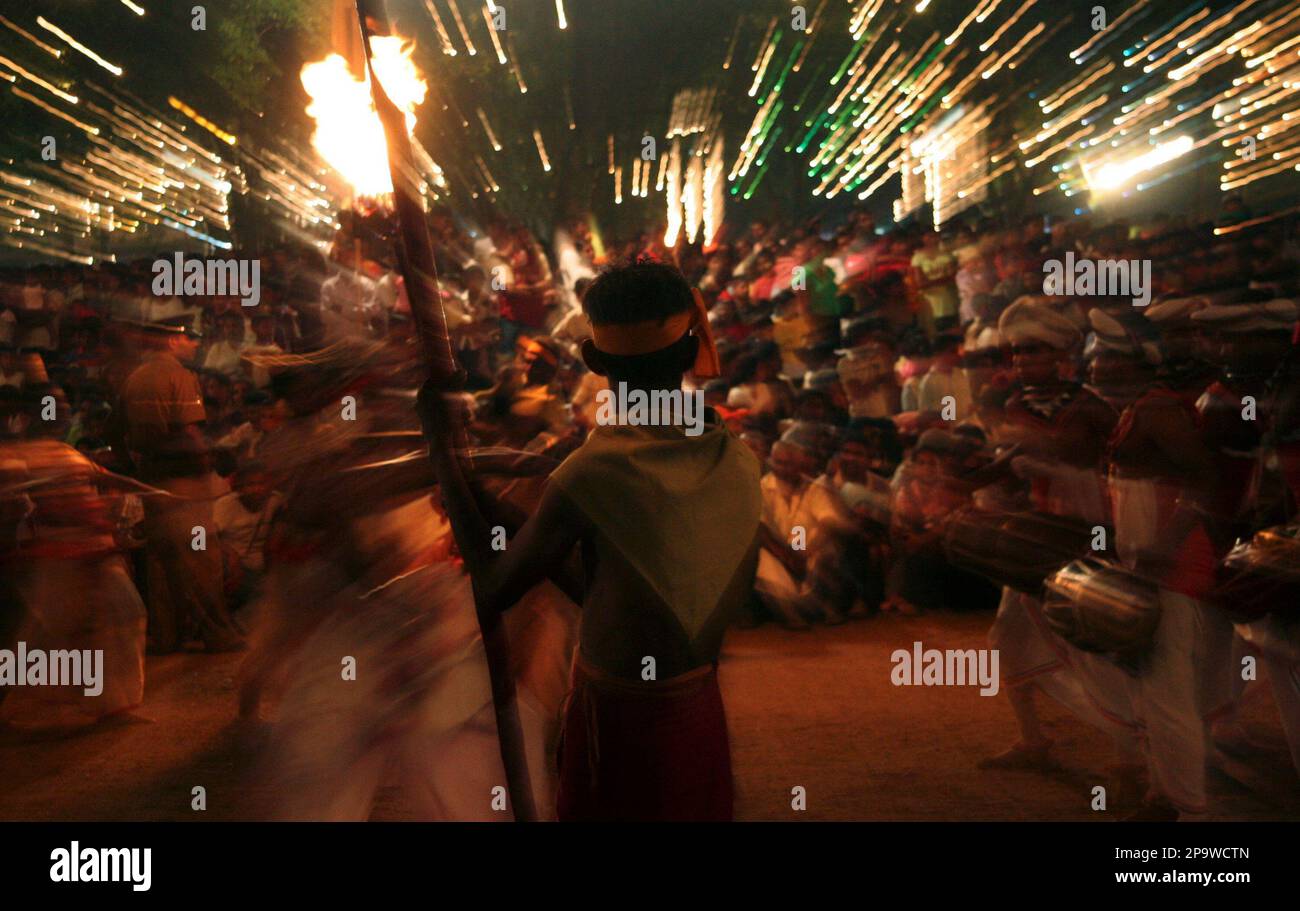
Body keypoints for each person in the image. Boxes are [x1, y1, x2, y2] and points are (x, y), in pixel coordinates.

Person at [417, 257, 760, 821]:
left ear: (594, 361)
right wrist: (493, 505)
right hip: (698, 707)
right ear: (695, 341)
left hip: (619, 715)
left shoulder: (594, 471)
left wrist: (444, 463)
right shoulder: (735, 458)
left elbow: (495, 591)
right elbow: (614, 588)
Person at [117, 318, 243, 653]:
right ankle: (218, 632)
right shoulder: (179, 376)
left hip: (151, 481)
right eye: (190, 339)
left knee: (161, 563)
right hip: (183, 482)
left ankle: (167, 636)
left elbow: (115, 433)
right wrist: (211, 457)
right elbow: (189, 432)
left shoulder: (134, 378)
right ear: (173, 341)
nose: (196, 345)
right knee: (201, 559)